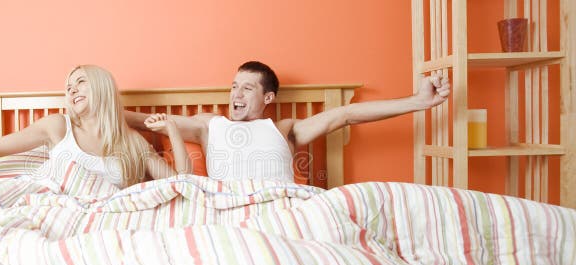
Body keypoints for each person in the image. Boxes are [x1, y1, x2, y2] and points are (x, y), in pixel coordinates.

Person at [125, 61, 451, 182]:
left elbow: (347, 114)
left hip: (281, 210)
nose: (236, 93)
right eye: (234, 86)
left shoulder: (285, 129)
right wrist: (87, 109)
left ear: (268, 98)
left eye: (247, 87)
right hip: (226, 210)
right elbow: (142, 121)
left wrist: (419, 101)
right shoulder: (209, 125)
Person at [0, 65, 191, 188]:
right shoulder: (58, 127)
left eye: (81, 82)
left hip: (103, 223)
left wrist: (173, 131)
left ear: (103, 88)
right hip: (49, 210)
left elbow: (183, 183)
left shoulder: (133, 143)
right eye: (68, 87)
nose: (71, 90)